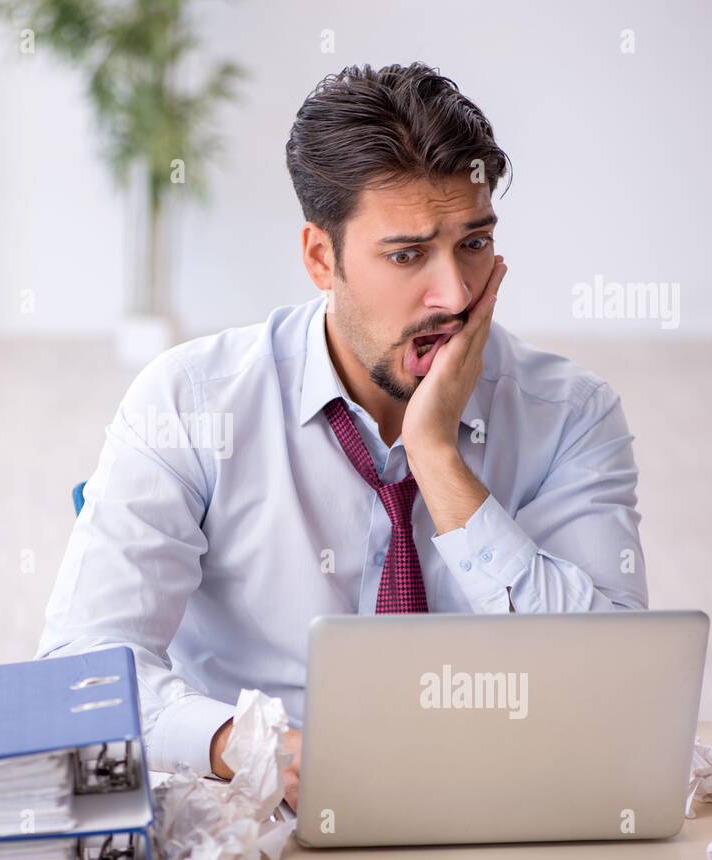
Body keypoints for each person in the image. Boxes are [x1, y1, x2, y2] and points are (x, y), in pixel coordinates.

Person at [35, 62, 647, 811]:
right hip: (261, 814)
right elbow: (83, 670)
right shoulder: (191, 403)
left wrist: (437, 458)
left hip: (498, 809)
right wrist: (253, 745)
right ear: (322, 258)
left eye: (473, 244)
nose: (453, 294)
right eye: (407, 254)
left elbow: (621, 682)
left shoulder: (570, 413)